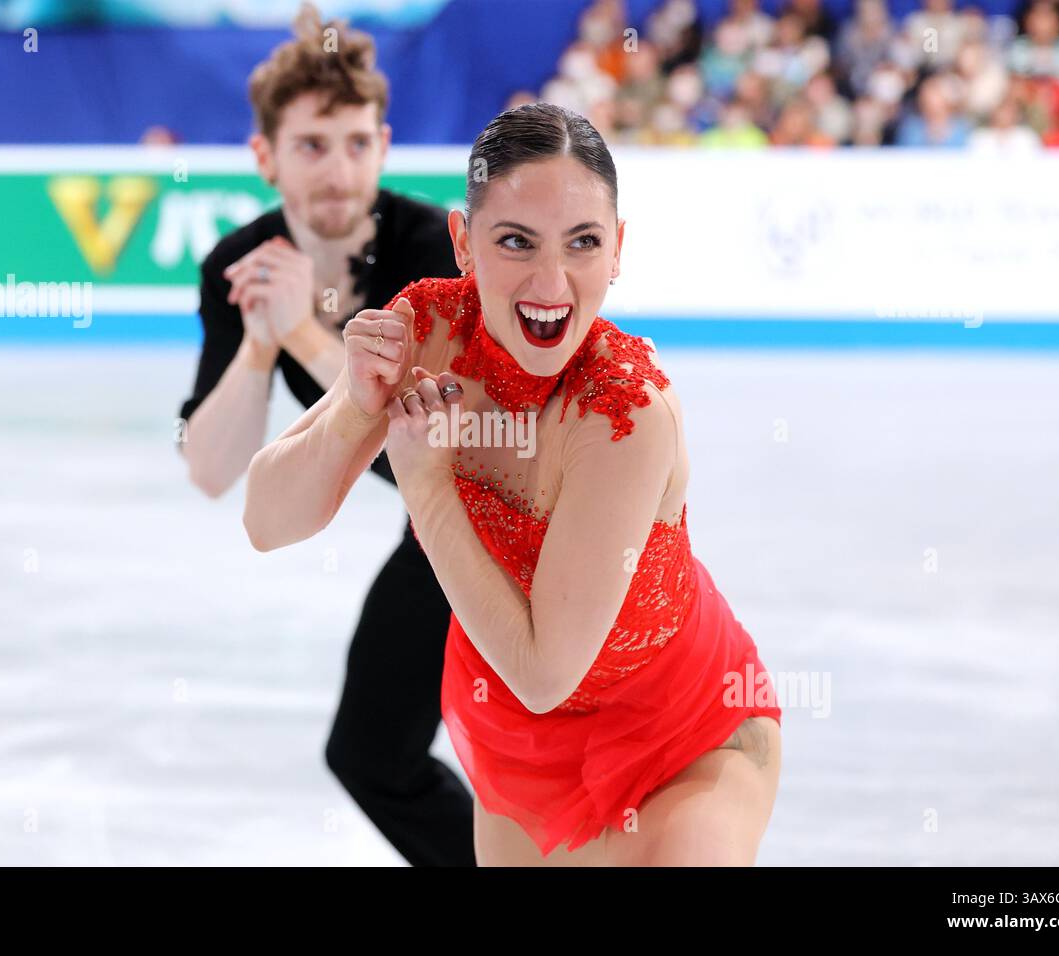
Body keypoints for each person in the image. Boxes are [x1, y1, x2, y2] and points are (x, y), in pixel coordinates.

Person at [242, 102, 783, 866]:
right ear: (464, 241)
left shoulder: (625, 412)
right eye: (517, 241)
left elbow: (544, 673)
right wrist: (356, 410)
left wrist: (427, 489)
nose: (551, 283)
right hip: (518, 753)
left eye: (583, 242)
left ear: (618, 248)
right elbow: (266, 521)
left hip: (684, 737)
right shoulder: (428, 330)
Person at [176, 3, 474, 866]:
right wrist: (258, 342)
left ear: (384, 145)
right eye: (311, 146)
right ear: (264, 156)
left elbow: (447, 437)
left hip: (516, 515)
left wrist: (305, 330)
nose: (339, 172)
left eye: (356, 144)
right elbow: (211, 469)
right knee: (370, 755)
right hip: (435, 526)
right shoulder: (244, 266)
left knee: (539, 754)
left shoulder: (436, 252)